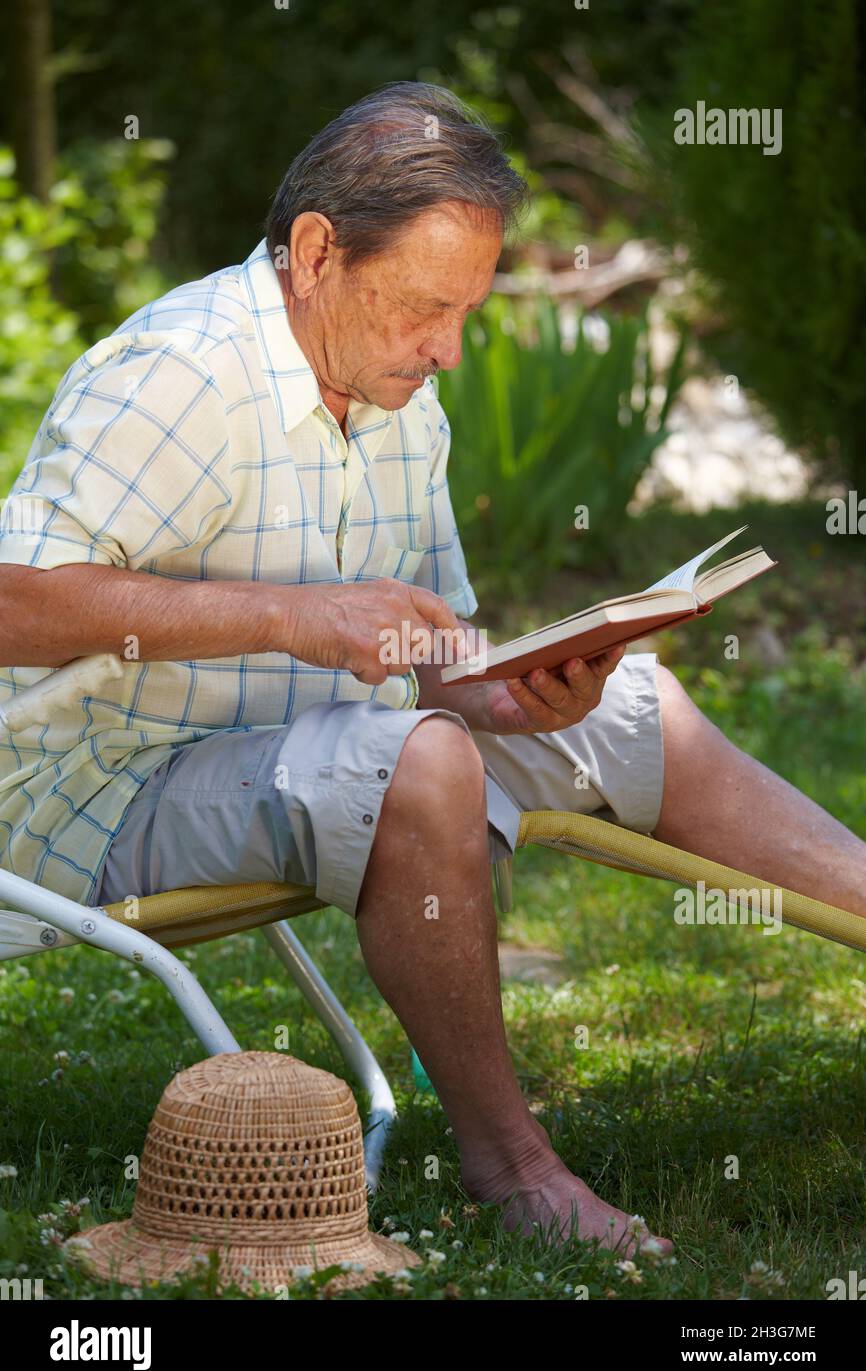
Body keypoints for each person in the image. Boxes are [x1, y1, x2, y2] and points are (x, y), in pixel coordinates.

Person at [2, 83, 865, 1256]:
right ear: (314, 253)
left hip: (296, 745)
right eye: (425, 305)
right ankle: (508, 1165)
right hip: (96, 795)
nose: (450, 346)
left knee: (630, 715)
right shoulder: (177, 372)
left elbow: (422, 652)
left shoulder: (398, 393)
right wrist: (304, 621)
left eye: (466, 309)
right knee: (420, 764)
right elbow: (14, 601)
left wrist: (513, 688)